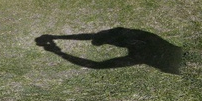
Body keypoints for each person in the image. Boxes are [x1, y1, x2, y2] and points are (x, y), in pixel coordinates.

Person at [34, 27, 181, 74]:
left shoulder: (138, 55)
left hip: (179, 66)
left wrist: (58, 52)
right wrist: (56, 37)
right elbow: (95, 37)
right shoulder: (145, 39)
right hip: (181, 59)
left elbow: (95, 65)